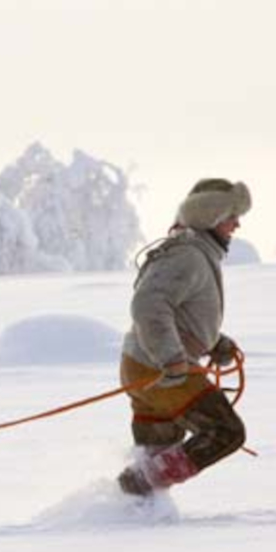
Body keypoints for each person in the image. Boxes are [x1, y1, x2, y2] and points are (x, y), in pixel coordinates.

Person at [116, 178, 250, 497]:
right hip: (161, 371)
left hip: (145, 366)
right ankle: (134, 487)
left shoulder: (195, 252)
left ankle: (125, 507)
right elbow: (148, 305)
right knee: (225, 432)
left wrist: (214, 342)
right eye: (232, 215)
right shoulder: (187, 255)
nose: (237, 224)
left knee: (158, 458)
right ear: (212, 216)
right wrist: (171, 358)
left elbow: (178, 313)